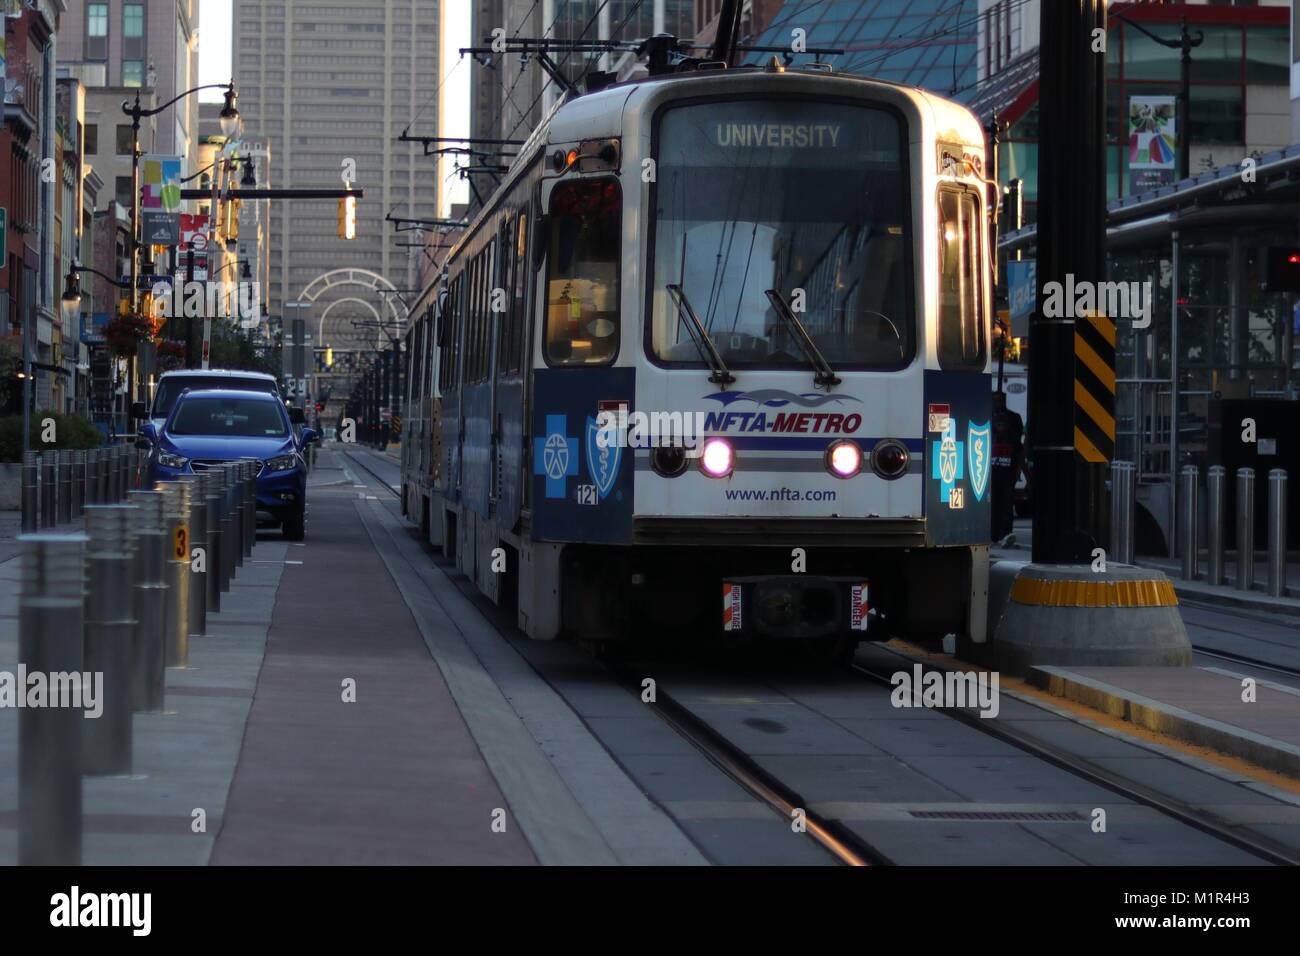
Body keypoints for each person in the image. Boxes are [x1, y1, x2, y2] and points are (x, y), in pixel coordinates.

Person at [991, 389, 1025, 544]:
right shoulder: (990, 436)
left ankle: (1005, 533)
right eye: (998, 424)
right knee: (994, 505)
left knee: (1006, 504)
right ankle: (994, 533)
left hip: (1007, 474)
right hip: (993, 474)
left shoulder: (1013, 438)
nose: (1001, 427)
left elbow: (1019, 454)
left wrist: (1021, 473)